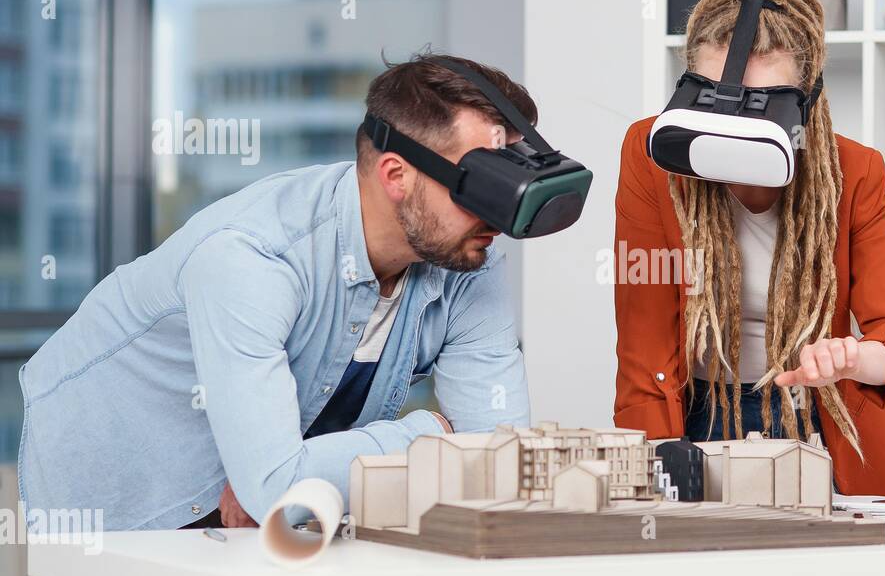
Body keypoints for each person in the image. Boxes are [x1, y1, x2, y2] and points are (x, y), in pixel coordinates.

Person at [18, 54, 531, 531]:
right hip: (116, 480)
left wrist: (283, 477)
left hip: (253, 491)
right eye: (479, 184)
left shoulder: (468, 261)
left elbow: (502, 458)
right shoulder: (252, 255)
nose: (498, 216)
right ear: (395, 175)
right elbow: (278, 488)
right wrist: (437, 434)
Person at [613, 0, 885, 576]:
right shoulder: (650, 157)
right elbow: (643, 344)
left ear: (807, 99)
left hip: (821, 428)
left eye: (763, 103)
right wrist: (659, 473)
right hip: (697, 422)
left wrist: (854, 357)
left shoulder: (856, 170)